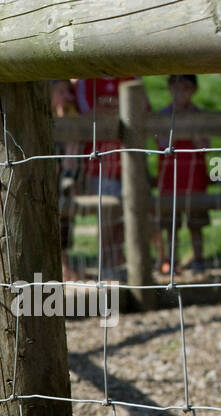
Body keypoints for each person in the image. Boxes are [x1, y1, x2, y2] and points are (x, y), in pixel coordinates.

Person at [75, 76, 135, 278]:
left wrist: (107, 107)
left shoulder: (132, 75)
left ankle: (117, 263)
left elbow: (140, 109)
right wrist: (119, 107)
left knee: (124, 217)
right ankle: (106, 265)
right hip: (99, 163)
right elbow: (86, 112)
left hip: (128, 161)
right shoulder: (87, 79)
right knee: (107, 218)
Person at [154, 74, 210, 276]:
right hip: (170, 179)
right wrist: (179, 130)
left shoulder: (200, 115)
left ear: (194, 90)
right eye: (177, 87)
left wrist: (190, 131)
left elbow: (205, 147)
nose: (181, 93)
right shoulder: (162, 115)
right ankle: (171, 261)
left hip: (195, 179)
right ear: (170, 89)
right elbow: (161, 145)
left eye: (186, 88)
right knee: (171, 225)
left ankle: (198, 259)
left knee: (196, 223)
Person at [51, 78, 81, 280]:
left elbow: (72, 153)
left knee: (65, 220)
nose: (67, 96)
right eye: (61, 92)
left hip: (64, 177)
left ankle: (64, 265)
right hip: (50, 176)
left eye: (68, 92)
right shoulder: (45, 119)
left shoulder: (72, 119)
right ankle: (61, 266)